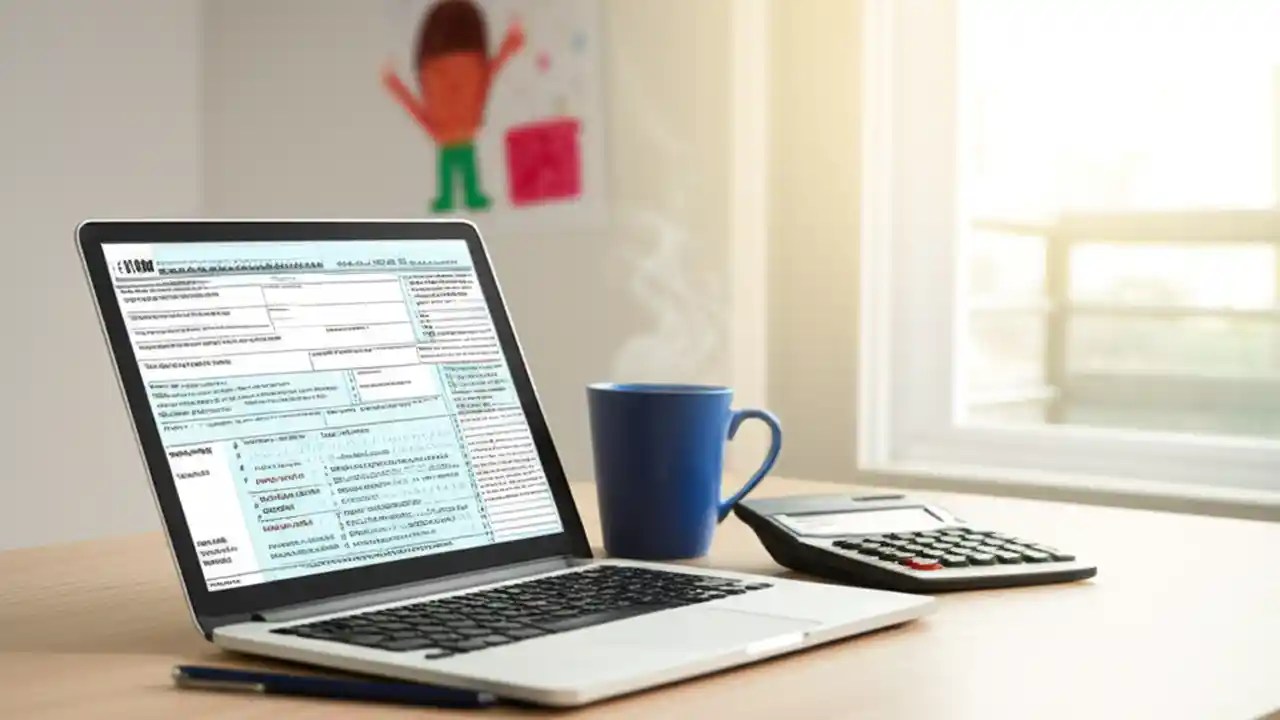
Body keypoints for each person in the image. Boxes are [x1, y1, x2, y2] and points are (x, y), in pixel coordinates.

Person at [382, 0, 525, 212]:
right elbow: (492, 71)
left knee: (457, 173)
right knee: (462, 172)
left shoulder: (438, 73)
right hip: (458, 135)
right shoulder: (473, 72)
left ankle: (456, 197)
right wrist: (511, 44)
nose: (453, 85)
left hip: (449, 136)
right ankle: (462, 197)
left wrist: (393, 84)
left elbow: (416, 109)